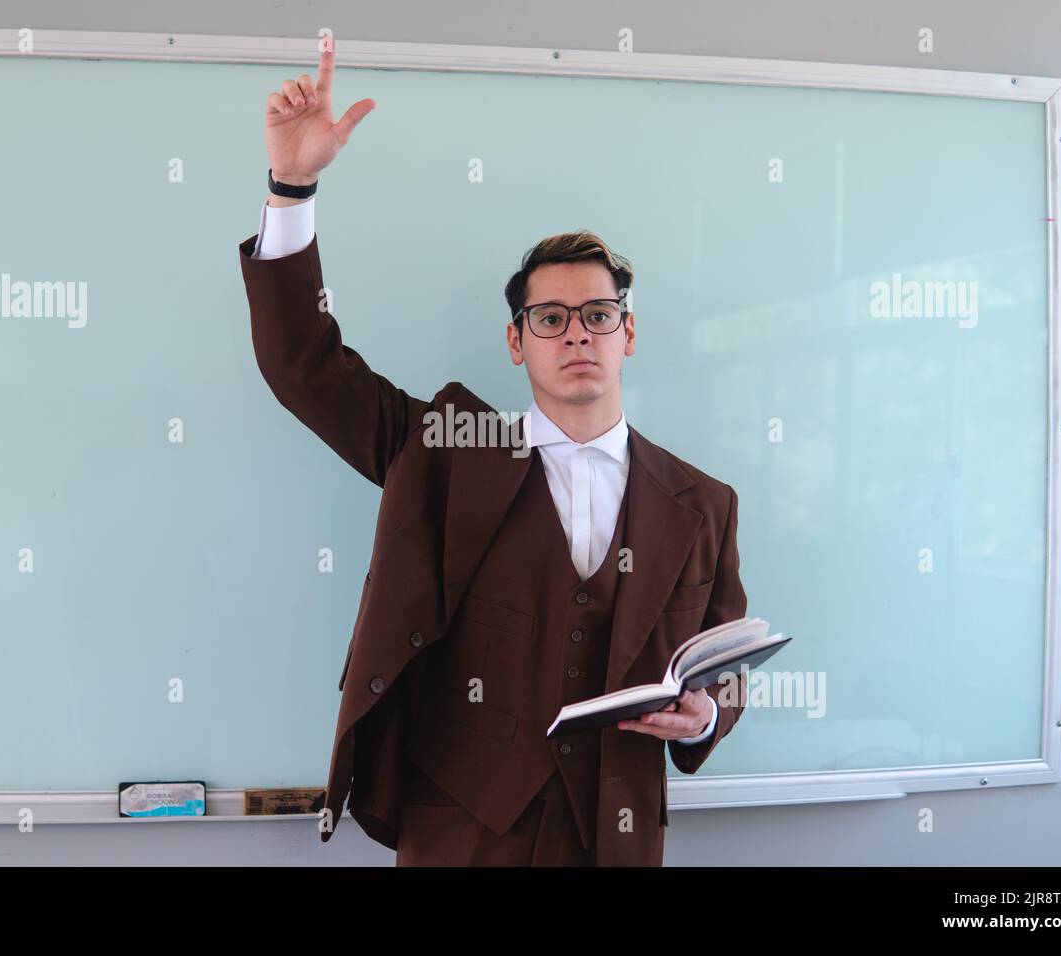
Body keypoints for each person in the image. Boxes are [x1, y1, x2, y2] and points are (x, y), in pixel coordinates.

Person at [240, 33, 748, 866]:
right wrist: (292, 186)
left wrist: (710, 715)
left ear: (630, 332)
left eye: (598, 313)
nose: (576, 332)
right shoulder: (444, 450)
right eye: (549, 317)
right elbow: (303, 366)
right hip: (460, 835)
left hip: (617, 837)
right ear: (517, 344)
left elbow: (726, 664)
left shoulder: (706, 503)